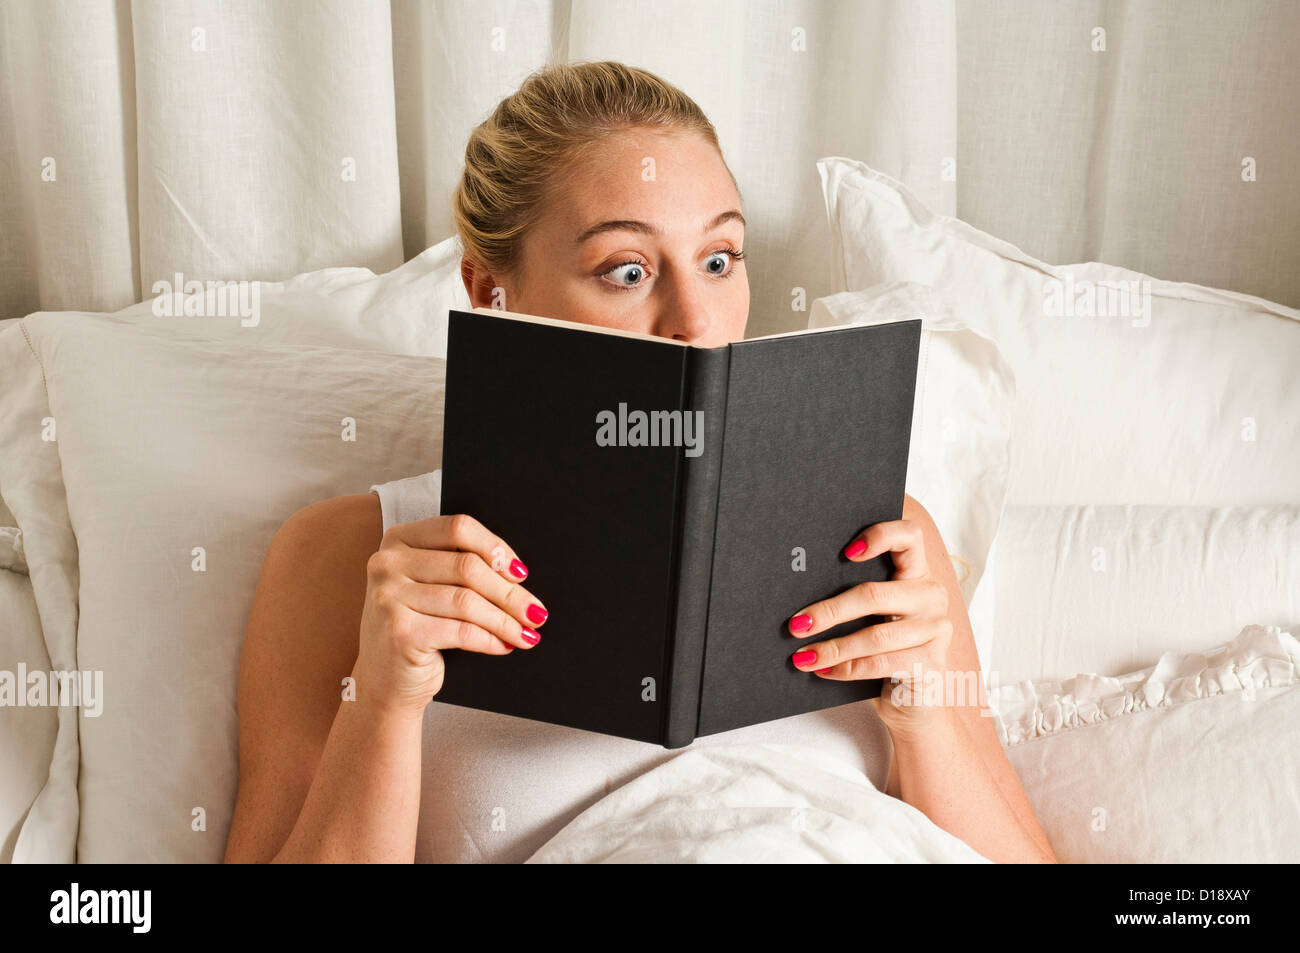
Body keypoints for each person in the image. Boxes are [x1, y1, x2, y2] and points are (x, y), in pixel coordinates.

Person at [223, 60, 1057, 864]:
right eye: (628, 270)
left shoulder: (883, 536)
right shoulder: (349, 557)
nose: (696, 321)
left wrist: (925, 719)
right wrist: (383, 701)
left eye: (720, 261)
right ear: (489, 292)